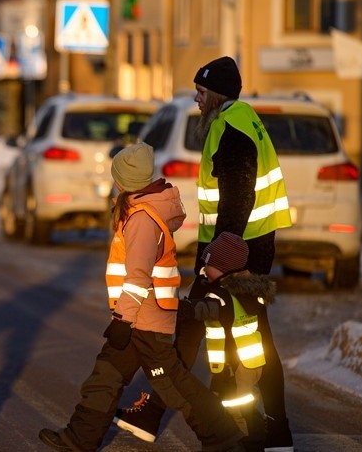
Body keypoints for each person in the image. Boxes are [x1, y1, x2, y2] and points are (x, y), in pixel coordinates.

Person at [115, 56, 294, 451]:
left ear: (216, 94)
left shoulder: (230, 129)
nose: (196, 98)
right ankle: (267, 433)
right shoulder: (241, 119)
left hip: (235, 253)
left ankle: (159, 414)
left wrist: (218, 262)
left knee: (197, 329)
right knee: (238, 335)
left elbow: (239, 195)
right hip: (245, 247)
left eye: (200, 91)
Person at [38, 142, 243, 452]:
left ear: (125, 181)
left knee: (174, 387)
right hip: (137, 318)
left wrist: (122, 320)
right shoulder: (138, 210)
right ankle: (79, 440)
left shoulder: (143, 221)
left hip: (145, 322)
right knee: (105, 378)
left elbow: (138, 276)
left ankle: (224, 440)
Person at [189, 231, 276, 451]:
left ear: (222, 268)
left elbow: (213, 310)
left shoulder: (220, 295)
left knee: (237, 406)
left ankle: (246, 443)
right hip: (246, 362)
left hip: (237, 364)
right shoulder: (244, 289)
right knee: (239, 403)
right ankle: (245, 438)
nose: (203, 269)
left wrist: (188, 309)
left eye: (207, 264)